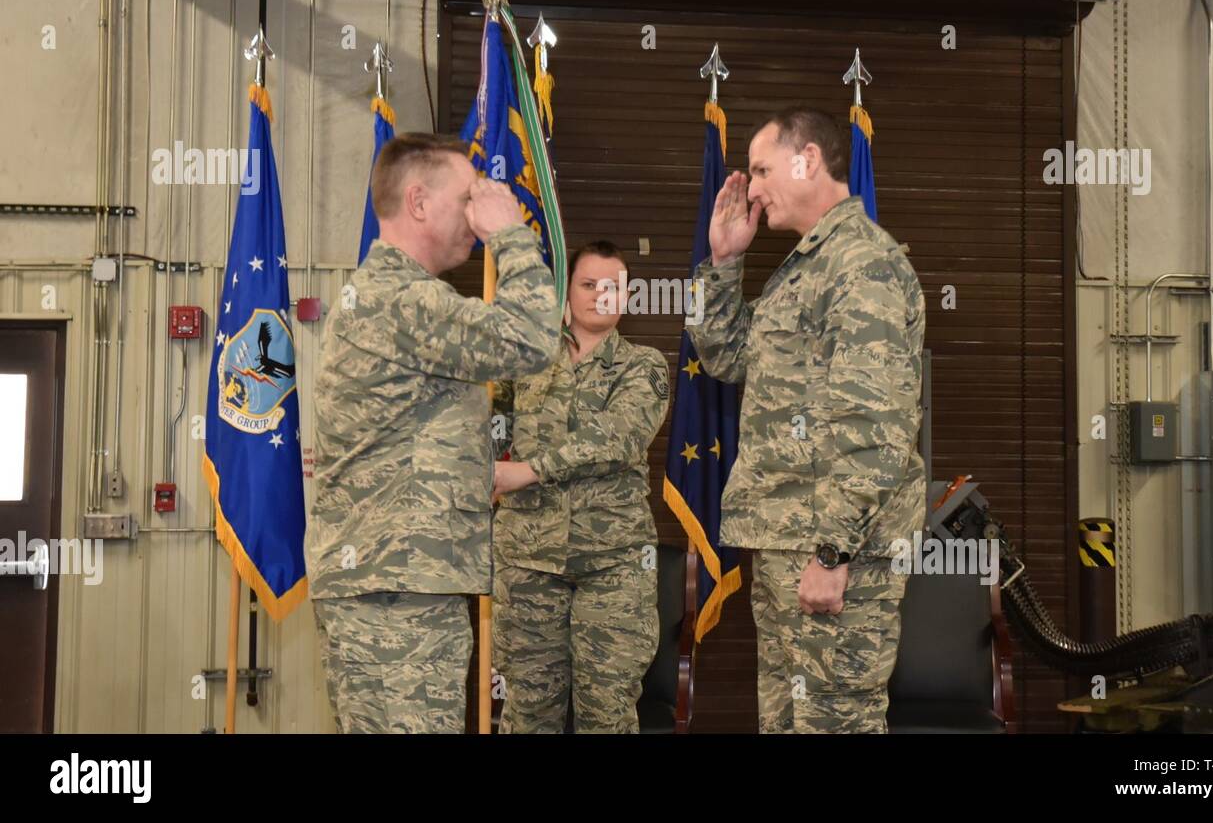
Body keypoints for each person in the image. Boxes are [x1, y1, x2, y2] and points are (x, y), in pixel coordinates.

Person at [307, 133, 559, 733]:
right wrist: (511, 233)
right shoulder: (405, 300)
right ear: (418, 203)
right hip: (397, 590)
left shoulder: (387, 295)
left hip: (391, 581)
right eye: (468, 198)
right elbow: (534, 336)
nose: (476, 213)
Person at [688, 106, 926, 733]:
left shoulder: (862, 264)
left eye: (761, 168)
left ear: (809, 160)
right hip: (782, 542)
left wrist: (833, 549)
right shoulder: (802, 267)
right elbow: (727, 357)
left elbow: (876, 425)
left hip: (831, 551)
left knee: (834, 721)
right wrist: (723, 264)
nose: (753, 189)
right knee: (788, 722)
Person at [491, 241, 670, 733]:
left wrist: (528, 471)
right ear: (566, 292)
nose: (600, 295)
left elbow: (616, 439)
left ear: (628, 296)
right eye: (589, 284)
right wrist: (484, 469)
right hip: (527, 562)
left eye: (612, 287)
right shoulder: (526, 362)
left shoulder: (644, 366)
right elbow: (494, 427)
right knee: (528, 713)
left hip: (613, 567)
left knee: (607, 715)